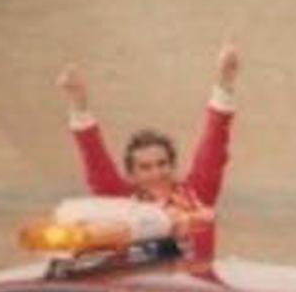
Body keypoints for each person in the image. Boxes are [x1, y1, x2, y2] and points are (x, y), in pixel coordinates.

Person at [55, 44, 240, 261]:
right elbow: (95, 159)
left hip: (194, 291)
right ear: (132, 175)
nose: (156, 173)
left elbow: (213, 146)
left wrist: (224, 84)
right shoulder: (122, 204)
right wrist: (78, 104)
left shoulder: (197, 194)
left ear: (172, 165)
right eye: (145, 167)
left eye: (162, 164)